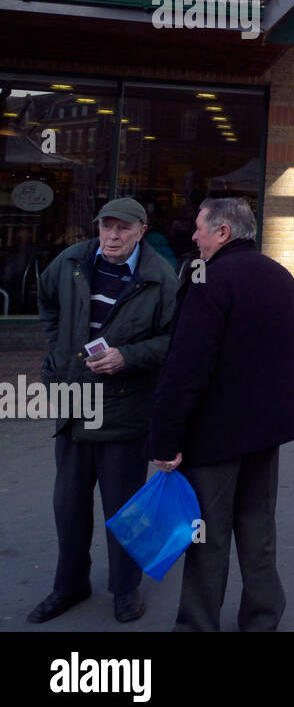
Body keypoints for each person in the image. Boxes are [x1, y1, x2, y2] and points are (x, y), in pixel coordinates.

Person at [148, 197, 294, 631]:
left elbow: (186, 368)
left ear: (223, 232)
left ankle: (197, 625)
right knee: (258, 529)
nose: (193, 236)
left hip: (214, 436)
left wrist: (164, 439)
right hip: (265, 432)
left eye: (200, 228)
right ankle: (262, 619)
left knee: (208, 537)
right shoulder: (279, 275)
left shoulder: (208, 280)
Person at [28, 197, 179, 625]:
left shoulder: (159, 278)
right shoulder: (72, 260)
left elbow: (173, 340)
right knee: (70, 506)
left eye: (122, 229)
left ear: (140, 230)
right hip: (76, 405)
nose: (112, 236)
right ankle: (70, 585)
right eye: (106, 227)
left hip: (126, 408)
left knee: (124, 510)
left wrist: (127, 357)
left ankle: (125, 589)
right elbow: (47, 301)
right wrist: (60, 350)